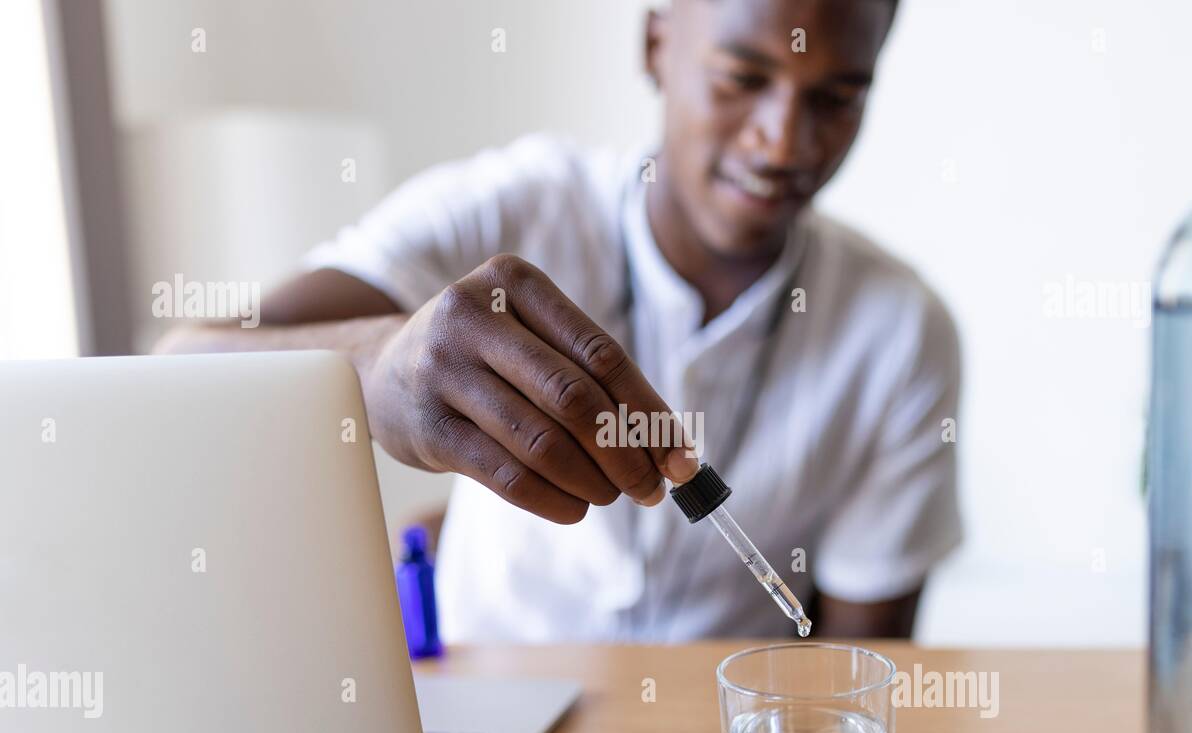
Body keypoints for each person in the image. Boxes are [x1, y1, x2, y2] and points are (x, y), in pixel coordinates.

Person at [156, 0, 960, 643]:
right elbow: (179, 368)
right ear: (656, 45)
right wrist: (375, 361)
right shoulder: (518, 204)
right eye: (741, 76)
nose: (783, 140)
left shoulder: (899, 332)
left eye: (836, 97)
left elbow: (862, 679)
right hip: (488, 707)